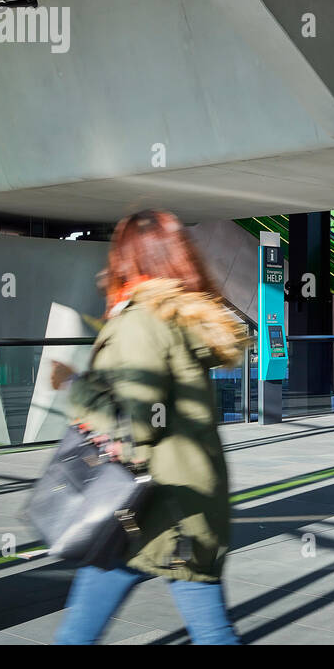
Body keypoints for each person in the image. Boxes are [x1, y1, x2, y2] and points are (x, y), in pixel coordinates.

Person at [54, 209, 246, 645]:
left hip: (148, 510)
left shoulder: (141, 321)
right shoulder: (182, 318)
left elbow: (137, 420)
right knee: (212, 631)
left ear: (129, 257)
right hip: (182, 504)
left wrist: (76, 387)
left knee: (77, 633)